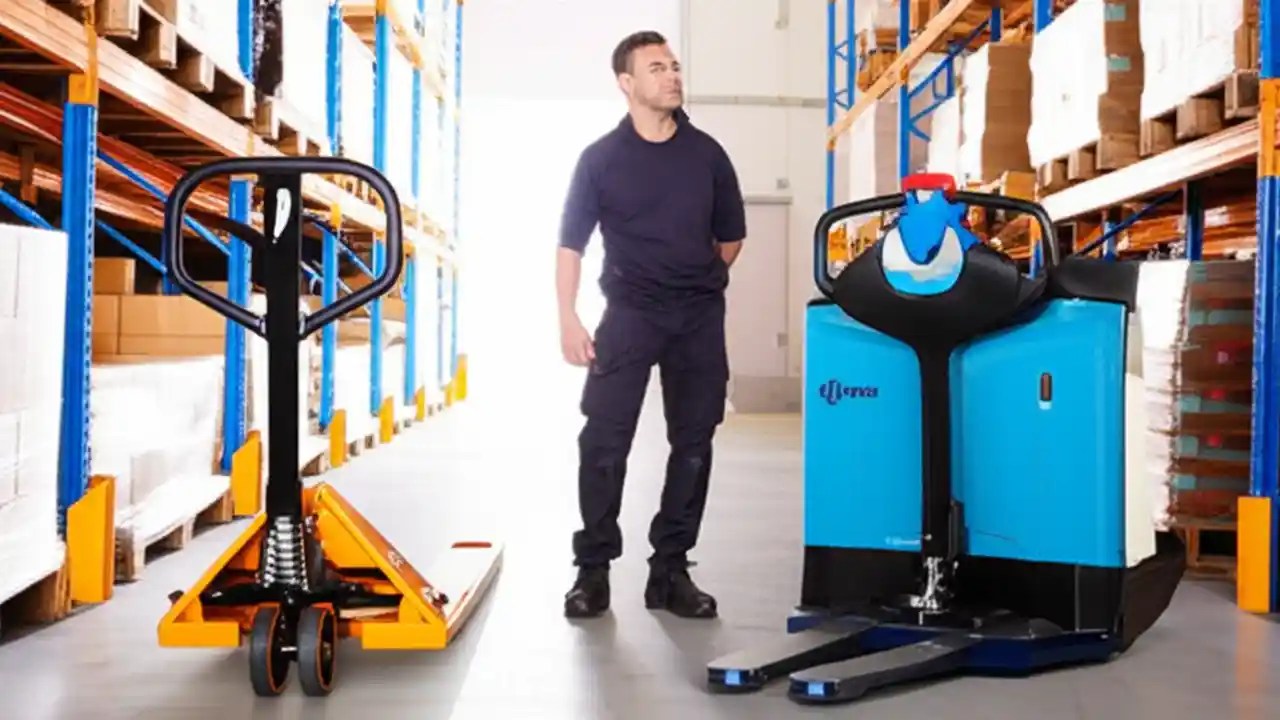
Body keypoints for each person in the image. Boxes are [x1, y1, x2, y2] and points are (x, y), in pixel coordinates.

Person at [555, 30, 747, 620]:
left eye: (674, 66)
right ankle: (594, 570)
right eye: (657, 67)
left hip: (697, 318)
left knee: (693, 443)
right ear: (627, 83)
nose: (671, 75)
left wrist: (694, 278)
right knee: (604, 442)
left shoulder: (707, 154)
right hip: (629, 315)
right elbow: (571, 245)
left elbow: (732, 237)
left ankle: (670, 570)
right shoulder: (600, 160)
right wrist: (568, 317)